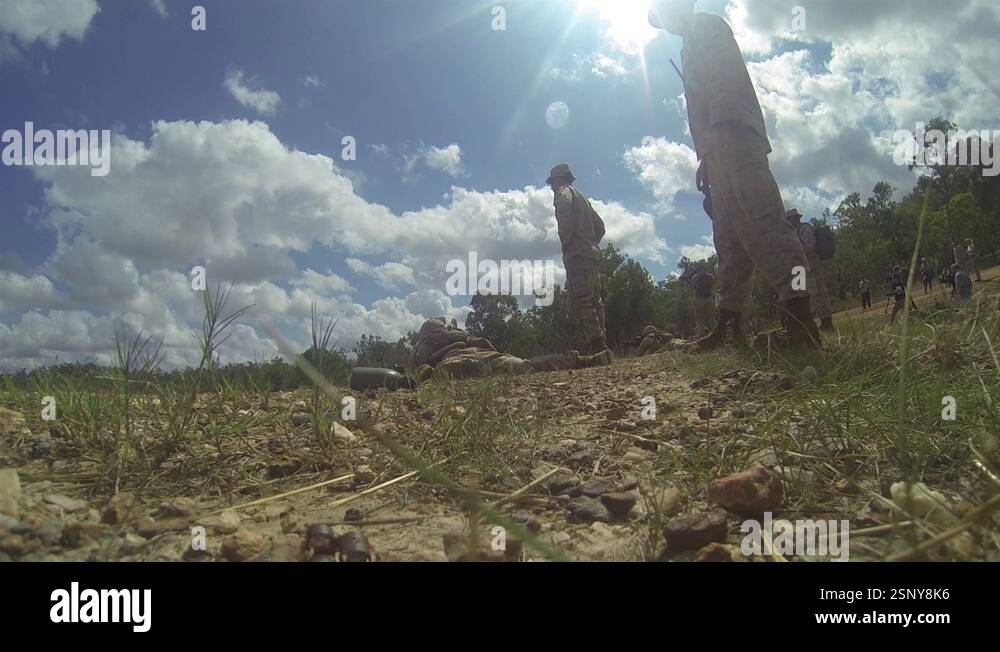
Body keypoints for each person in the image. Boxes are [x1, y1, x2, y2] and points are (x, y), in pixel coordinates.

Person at [648, 1, 820, 350]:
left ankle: (801, 317)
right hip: (716, 150)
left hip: (734, 136)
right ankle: (729, 324)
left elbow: (725, 84)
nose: (665, 25)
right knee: (728, 239)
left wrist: (723, 136)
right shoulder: (686, 45)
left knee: (764, 221)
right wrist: (705, 159)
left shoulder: (708, 27)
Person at [410, 318, 610, 383]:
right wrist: (500, 355)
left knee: (435, 379)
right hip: (486, 355)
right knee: (527, 366)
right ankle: (586, 360)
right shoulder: (457, 333)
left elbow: (420, 367)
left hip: (450, 363)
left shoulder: (424, 343)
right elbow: (483, 341)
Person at [547, 163, 609, 356]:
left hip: (578, 256)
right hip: (591, 255)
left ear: (559, 180)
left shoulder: (563, 193)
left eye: (552, 182)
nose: (551, 187)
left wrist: (568, 242)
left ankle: (598, 344)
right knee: (594, 301)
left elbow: (564, 213)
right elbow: (600, 226)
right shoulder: (583, 198)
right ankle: (601, 344)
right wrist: (590, 244)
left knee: (580, 303)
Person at [787, 209, 833, 331]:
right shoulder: (795, 232)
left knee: (819, 292)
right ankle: (824, 319)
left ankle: (827, 320)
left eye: (790, 219)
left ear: (795, 218)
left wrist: (797, 254)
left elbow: (810, 246)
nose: (789, 221)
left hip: (812, 265)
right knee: (813, 294)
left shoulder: (805, 229)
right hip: (805, 266)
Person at [690, 264, 716, 337]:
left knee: (700, 319)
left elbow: (694, 288)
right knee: (712, 317)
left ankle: (701, 335)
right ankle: (715, 333)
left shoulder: (695, 277)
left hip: (699, 299)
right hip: (709, 298)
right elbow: (713, 287)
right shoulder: (710, 276)